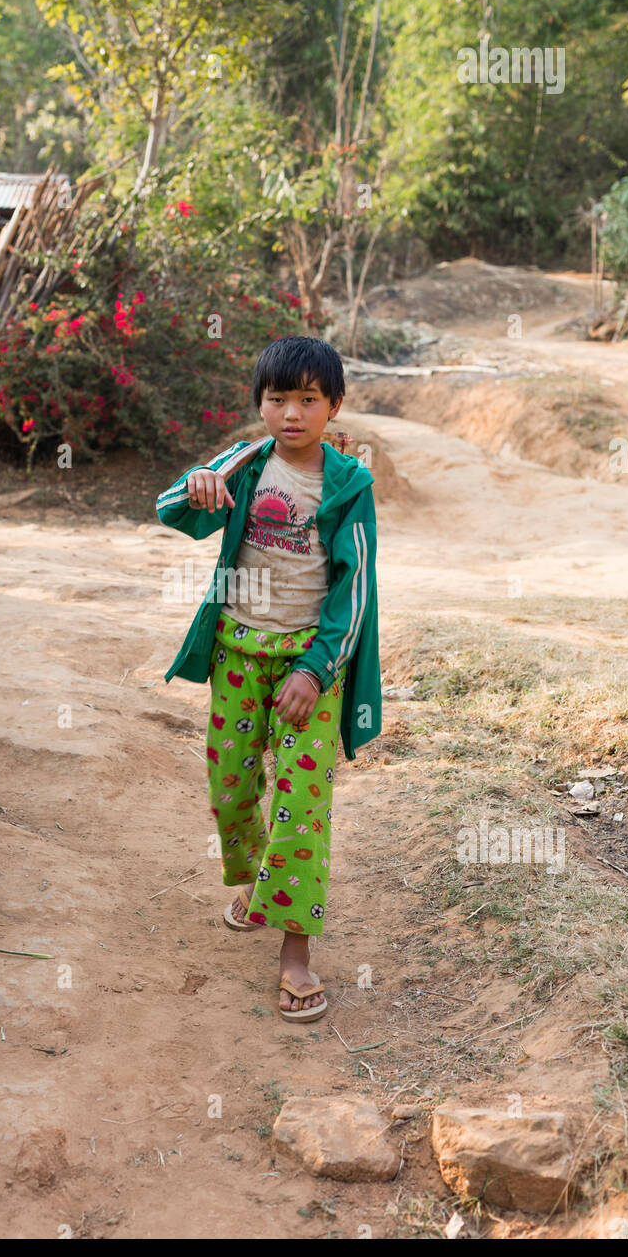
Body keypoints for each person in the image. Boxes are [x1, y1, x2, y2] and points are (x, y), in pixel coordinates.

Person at [156, 335, 381, 1022]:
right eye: (277, 398)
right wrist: (198, 489)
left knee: (301, 803)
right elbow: (175, 511)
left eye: (308, 399)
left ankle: (295, 952)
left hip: (308, 666)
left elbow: (356, 590)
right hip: (237, 654)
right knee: (230, 789)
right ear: (259, 405)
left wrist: (316, 669)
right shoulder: (244, 465)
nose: (291, 412)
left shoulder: (349, 485)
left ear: (334, 405)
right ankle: (260, 882)